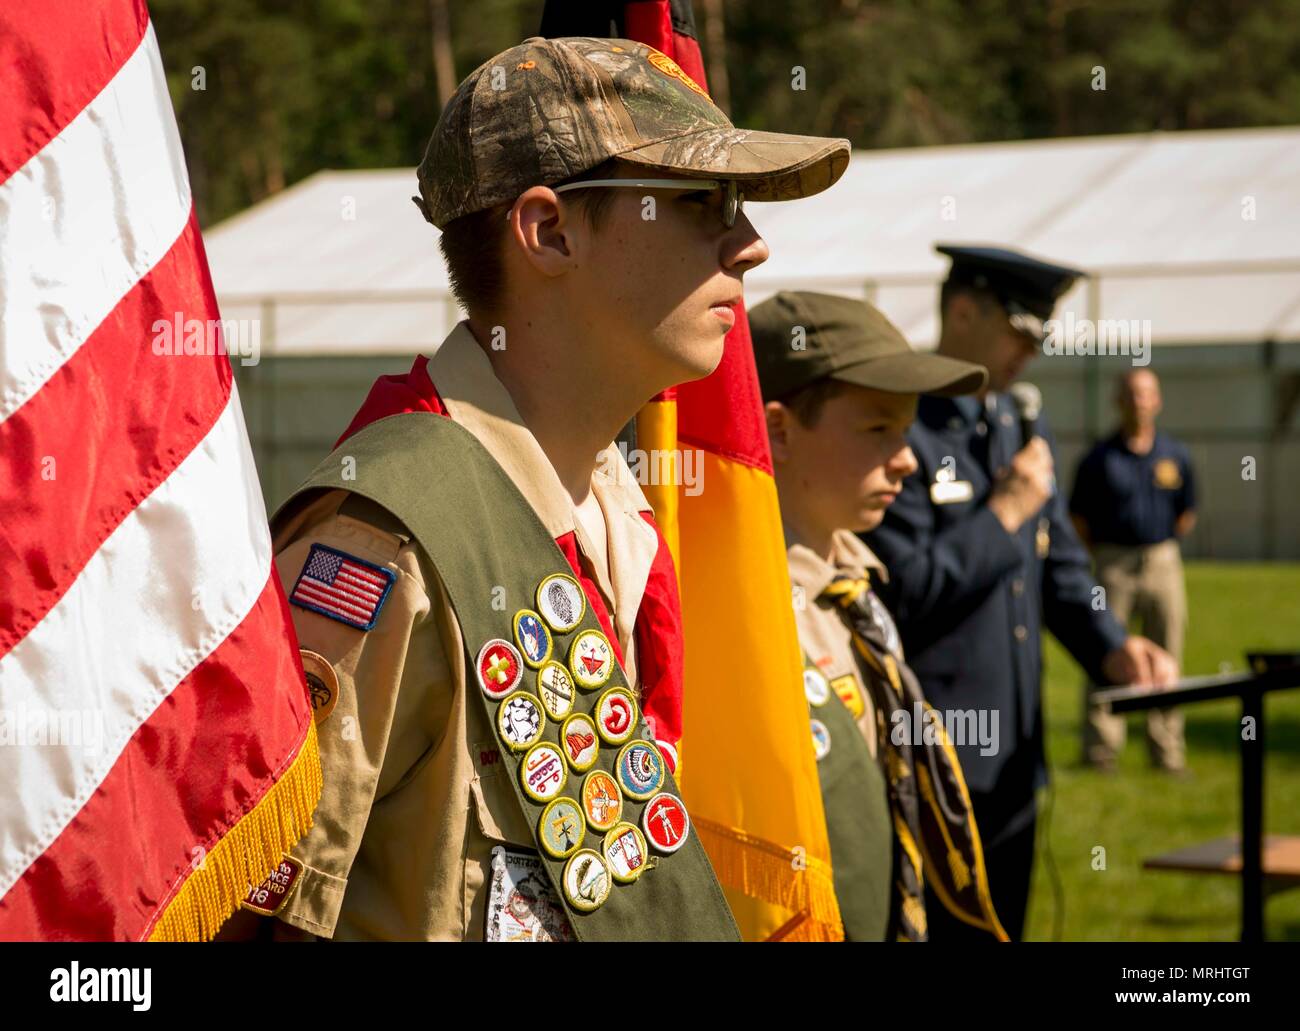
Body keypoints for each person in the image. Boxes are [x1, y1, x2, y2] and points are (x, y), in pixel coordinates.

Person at [217, 35, 850, 941]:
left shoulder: (616, 514)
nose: (749, 244)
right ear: (551, 231)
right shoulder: (386, 541)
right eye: (701, 203)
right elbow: (254, 915)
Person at [863, 245, 1179, 941]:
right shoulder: (898, 427)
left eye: (1040, 337)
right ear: (964, 311)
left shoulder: (1018, 428)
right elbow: (902, 593)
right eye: (1019, 331)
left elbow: (1063, 572)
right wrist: (1002, 516)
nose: (1029, 354)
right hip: (930, 761)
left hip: (1013, 763)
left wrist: (1116, 648)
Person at [751, 290, 1007, 942]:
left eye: (908, 429)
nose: (909, 458)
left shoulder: (855, 586)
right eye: (878, 428)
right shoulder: (750, 614)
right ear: (778, 430)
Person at [1071, 369, 1197, 773]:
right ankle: (1100, 751)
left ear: (1157, 401)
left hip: (1162, 562)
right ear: (1118, 401)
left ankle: (1166, 752)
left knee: (1167, 655)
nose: (1139, 402)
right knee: (1108, 652)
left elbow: (1186, 512)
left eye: (1146, 395)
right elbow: (1079, 518)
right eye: (1131, 395)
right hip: (1114, 566)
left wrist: (1155, 549)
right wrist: (1107, 556)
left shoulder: (1175, 455)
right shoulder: (1098, 458)